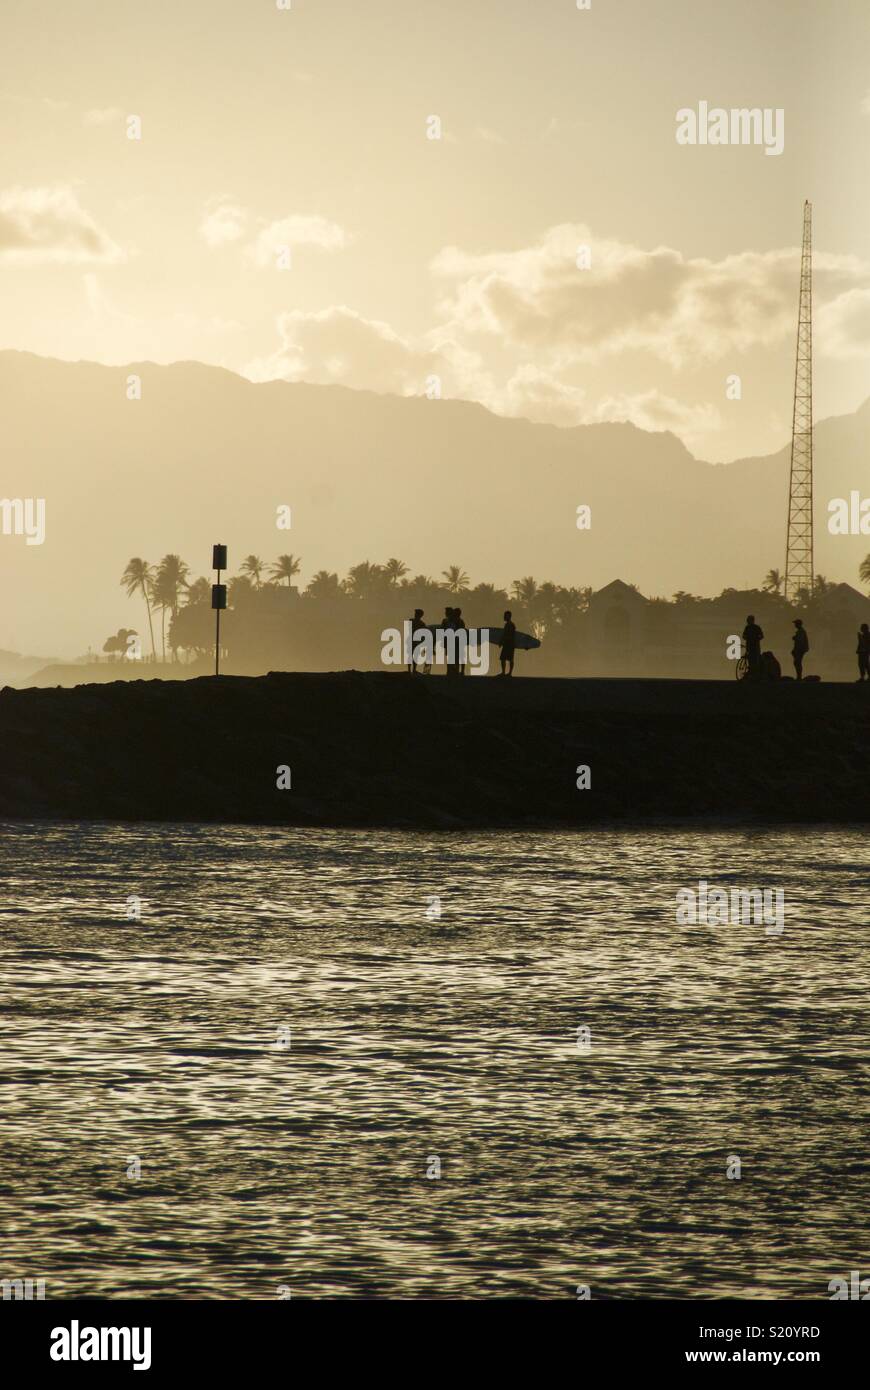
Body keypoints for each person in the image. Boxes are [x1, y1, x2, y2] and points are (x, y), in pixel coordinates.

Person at [742, 614, 764, 679]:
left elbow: (761, 636)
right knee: (751, 659)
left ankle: (755, 673)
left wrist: (755, 639)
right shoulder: (748, 627)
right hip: (751, 646)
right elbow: (744, 636)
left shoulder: (754, 628)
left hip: (754, 646)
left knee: (754, 659)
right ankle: (752, 672)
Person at [407, 608, 426, 674]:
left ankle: (412, 669)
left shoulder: (421, 623)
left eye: (416, 613)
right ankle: (410, 670)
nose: (415, 614)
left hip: (415, 640)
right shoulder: (420, 623)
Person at [499, 610, 516, 677]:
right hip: (509, 644)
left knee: (506, 658)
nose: (504, 617)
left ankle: (507, 673)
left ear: (508, 616)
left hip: (509, 644)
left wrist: (502, 641)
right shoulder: (509, 624)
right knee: (505, 658)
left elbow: (507, 635)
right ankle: (506, 673)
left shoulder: (510, 625)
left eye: (505, 616)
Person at [454, 606, 467, 675]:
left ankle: (459, 671)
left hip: (458, 641)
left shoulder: (458, 621)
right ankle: (460, 671)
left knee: (458, 656)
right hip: (460, 641)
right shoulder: (461, 621)